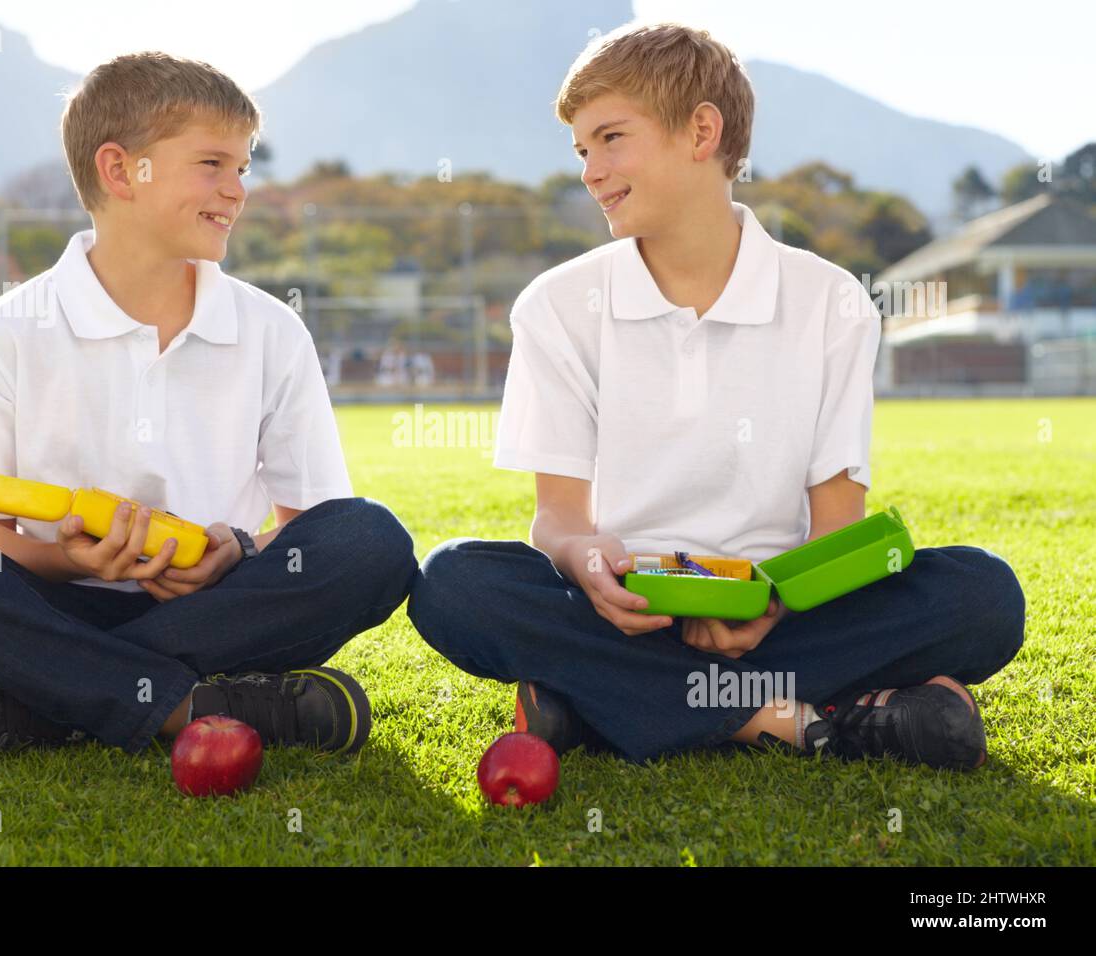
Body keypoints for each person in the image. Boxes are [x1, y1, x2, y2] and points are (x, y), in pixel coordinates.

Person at [407, 23, 1025, 770]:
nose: (589, 171)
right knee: (453, 583)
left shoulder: (833, 302)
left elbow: (838, 527)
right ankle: (783, 714)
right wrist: (584, 560)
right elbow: (559, 520)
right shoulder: (556, 305)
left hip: (787, 611)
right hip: (628, 616)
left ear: (701, 130)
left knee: (984, 594)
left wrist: (774, 602)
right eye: (581, 150)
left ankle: (607, 705)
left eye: (610, 139)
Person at [0, 52, 416, 759]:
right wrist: (67, 561)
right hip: (49, 599)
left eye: (244, 167)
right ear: (119, 171)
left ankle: (45, 697)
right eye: (212, 164)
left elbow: (305, 528)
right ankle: (198, 703)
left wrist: (234, 549)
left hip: (220, 609)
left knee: (370, 542)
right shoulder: (6, 333)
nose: (237, 190)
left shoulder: (272, 331)